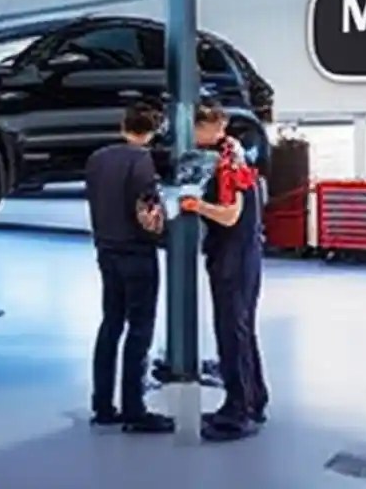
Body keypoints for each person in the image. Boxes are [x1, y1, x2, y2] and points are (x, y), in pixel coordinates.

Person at [180, 102, 269, 442]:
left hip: (233, 255)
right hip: (244, 253)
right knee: (242, 330)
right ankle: (254, 399)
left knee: (231, 332)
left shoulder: (225, 164)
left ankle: (238, 412)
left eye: (193, 129)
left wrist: (196, 205)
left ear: (208, 128)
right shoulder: (235, 152)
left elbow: (230, 214)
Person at [84, 102, 174, 434]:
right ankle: (134, 410)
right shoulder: (143, 162)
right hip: (137, 254)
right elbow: (147, 213)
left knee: (111, 324)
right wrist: (165, 233)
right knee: (140, 329)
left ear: (123, 127)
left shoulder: (97, 159)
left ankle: (103, 405)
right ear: (152, 132)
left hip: (106, 251)